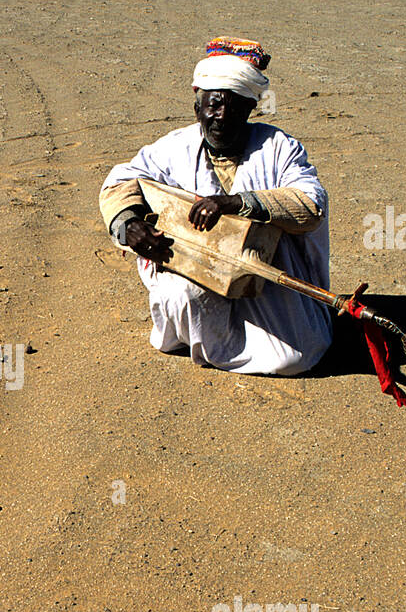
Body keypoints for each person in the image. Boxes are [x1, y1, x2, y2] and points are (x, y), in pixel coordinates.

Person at [99, 37, 332, 376]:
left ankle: (231, 341)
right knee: (179, 294)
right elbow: (120, 182)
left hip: (266, 278)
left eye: (235, 107)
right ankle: (200, 337)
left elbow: (312, 204)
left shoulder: (278, 147)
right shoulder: (174, 147)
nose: (222, 116)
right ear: (198, 110)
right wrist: (128, 224)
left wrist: (236, 203)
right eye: (213, 106)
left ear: (250, 110)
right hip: (197, 271)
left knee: (292, 359)